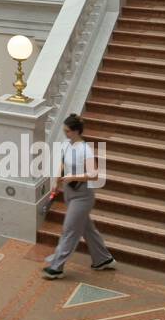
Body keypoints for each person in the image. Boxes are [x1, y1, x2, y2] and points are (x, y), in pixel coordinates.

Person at [43, 114, 115, 279]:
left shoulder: (85, 150)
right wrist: (56, 180)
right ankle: (103, 259)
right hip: (70, 193)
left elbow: (94, 174)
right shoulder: (67, 145)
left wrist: (74, 177)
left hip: (83, 196)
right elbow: (62, 163)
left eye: (67, 131)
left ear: (76, 131)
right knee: (87, 229)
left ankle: (56, 267)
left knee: (69, 229)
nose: (65, 134)